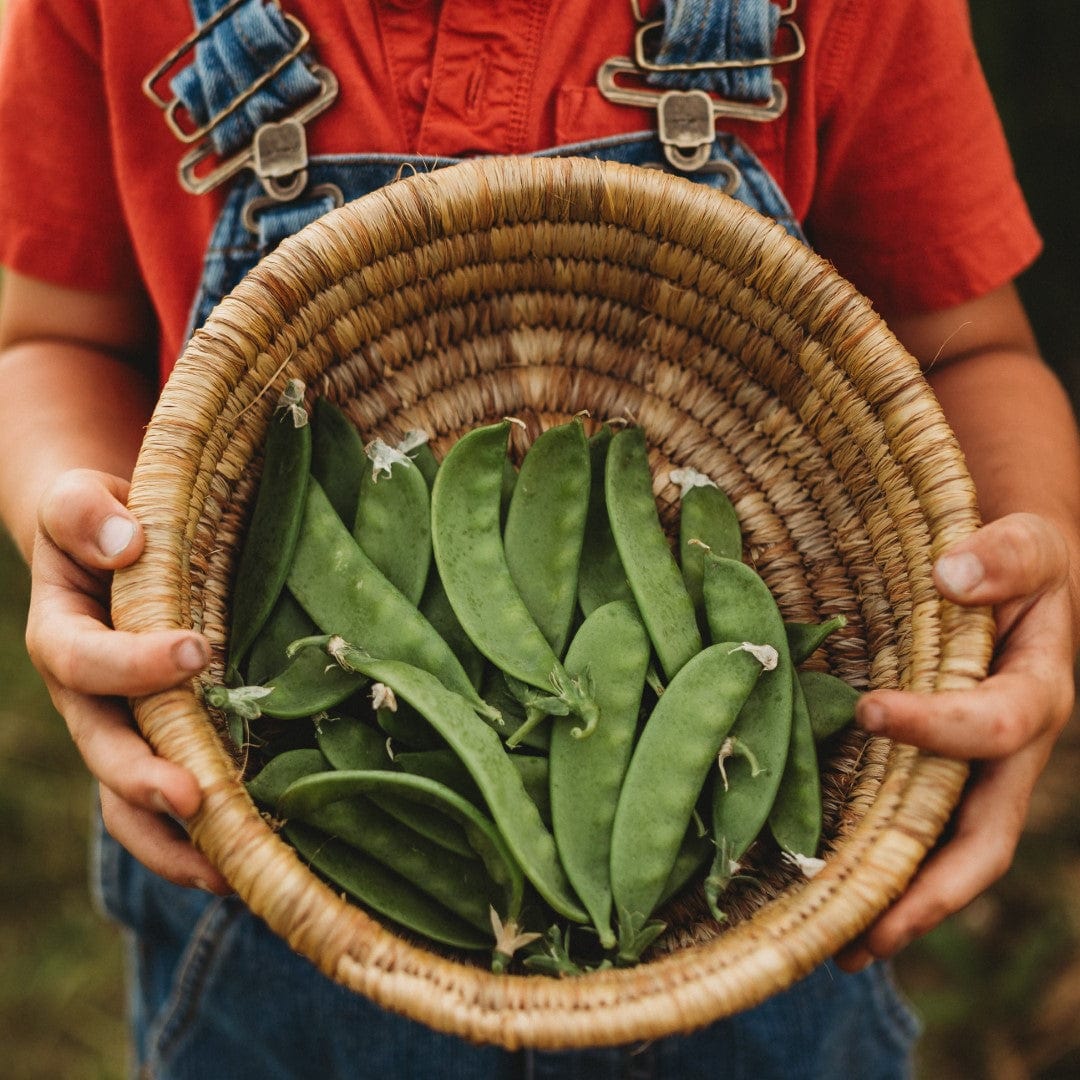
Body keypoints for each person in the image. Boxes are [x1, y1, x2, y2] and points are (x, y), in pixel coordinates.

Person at [0, 0, 1077, 1076]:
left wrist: (1033, 563)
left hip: (760, 964)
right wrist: (86, 534)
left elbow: (974, 349)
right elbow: (53, 334)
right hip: (260, 890)